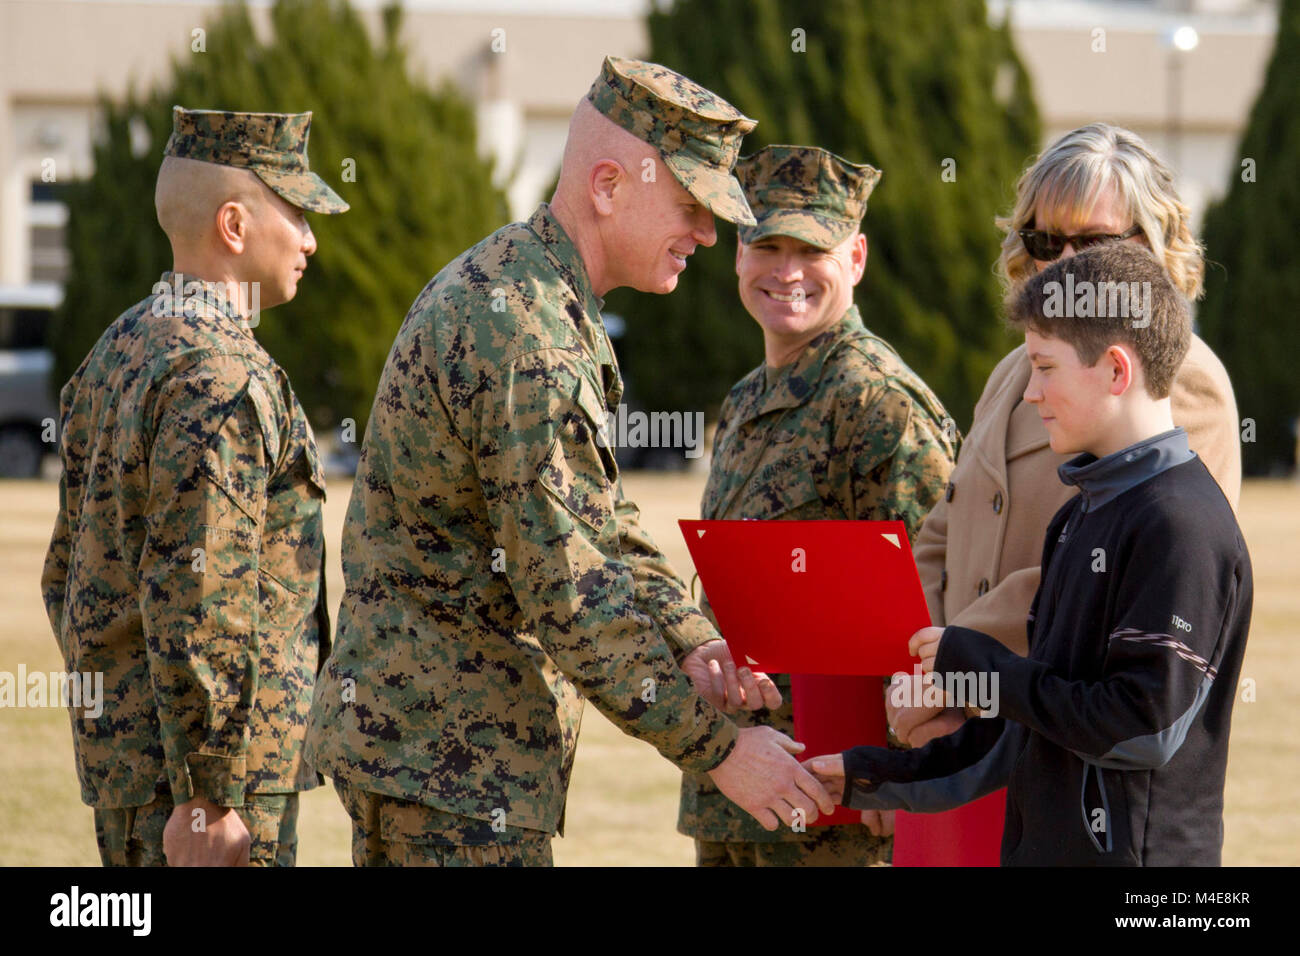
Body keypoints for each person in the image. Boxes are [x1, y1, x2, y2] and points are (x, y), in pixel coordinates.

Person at [304, 56, 834, 867]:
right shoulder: (528, 335)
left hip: (435, 756)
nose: (705, 234)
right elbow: (572, 593)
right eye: (692, 206)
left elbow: (602, 521)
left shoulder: (531, 295)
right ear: (609, 184)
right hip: (449, 768)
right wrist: (721, 752)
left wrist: (691, 638)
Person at [809, 242, 1253, 865]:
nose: (1029, 394)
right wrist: (866, 775)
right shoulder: (1080, 513)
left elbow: (1140, 726)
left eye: (1045, 367)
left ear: (1117, 371)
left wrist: (986, 665)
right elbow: (1026, 730)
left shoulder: (1179, 523)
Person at [886, 124, 1242, 864]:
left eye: (1096, 240)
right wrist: (921, 670)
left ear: (1156, 244)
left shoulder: (1182, 378)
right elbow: (943, 534)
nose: (1069, 262)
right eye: (1046, 242)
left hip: (1064, 759)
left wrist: (965, 668)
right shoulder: (1018, 370)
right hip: (960, 729)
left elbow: (1113, 576)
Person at [41, 107, 348, 866]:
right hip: (213, 794)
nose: (311, 238)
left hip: (137, 774)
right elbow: (199, 595)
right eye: (298, 213)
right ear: (234, 226)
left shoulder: (118, 350)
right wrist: (208, 794)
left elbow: (67, 579)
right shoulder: (220, 377)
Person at [674, 145, 957, 866]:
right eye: (767, 243)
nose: (787, 270)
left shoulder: (877, 402)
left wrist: (902, 774)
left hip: (837, 802)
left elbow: (933, 597)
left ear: (855, 258)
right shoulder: (745, 399)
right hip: (740, 784)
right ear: (738, 255)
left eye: (812, 248)